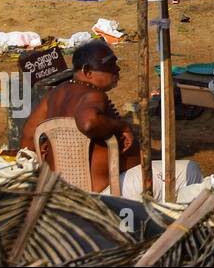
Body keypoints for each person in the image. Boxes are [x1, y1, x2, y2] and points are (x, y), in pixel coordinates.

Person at [20, 39, 202, 197]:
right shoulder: (92, 95)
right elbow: (88, 122)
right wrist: (120, 125)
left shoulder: (54, 94)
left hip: (62, 191)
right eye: (110, 65)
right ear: (88, 71)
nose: (117, 69)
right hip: (107, 193)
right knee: (189, 170)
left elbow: (28, 138)